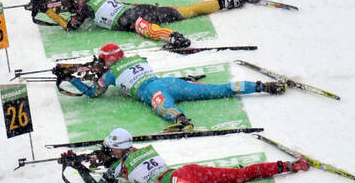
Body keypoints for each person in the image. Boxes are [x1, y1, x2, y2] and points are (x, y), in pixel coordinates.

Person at [61, 127, 305, 183]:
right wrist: (86, 160)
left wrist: (80, 167)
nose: (107, 151)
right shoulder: (137, 150)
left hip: (176, 179)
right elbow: (109, 157)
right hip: (187, 171)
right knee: (235, 174)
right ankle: (286, 166)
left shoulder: (118, 166)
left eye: (110, 148)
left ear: (118, 149)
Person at [57, 46, 285, 132]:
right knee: (218, 89)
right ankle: (260, 85)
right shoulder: (137, 56)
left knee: (164, 107)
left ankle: (182, 121)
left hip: (153, 89)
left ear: (108, 61)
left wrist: (72, 78)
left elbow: (92, 93)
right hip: (169, 81)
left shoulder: (111, 74)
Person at [22, 0, 234, 47]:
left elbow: (70, 26)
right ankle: (225, 3)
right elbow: (74, 3)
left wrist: (49, 12)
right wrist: (61, 3)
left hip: (131, 20)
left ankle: (175, 38)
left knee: (152, 31)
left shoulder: (86, 8)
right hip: (141, 8)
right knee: (187, 11)